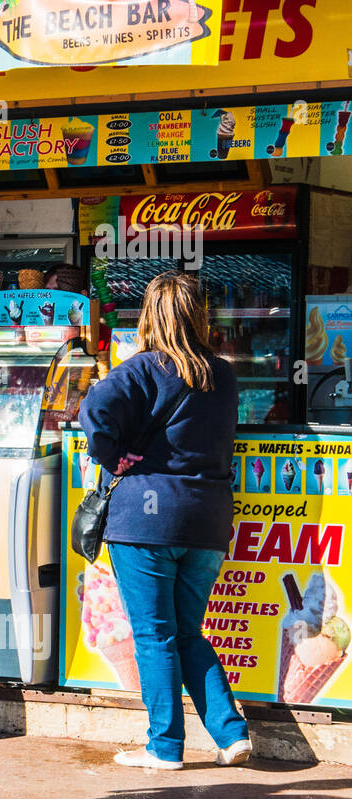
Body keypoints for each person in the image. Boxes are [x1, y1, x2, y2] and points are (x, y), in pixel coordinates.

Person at [79, 271, 252, 769]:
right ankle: (229, 733)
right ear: (199, 315)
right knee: (186, 631)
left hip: (146, 520)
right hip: (208, 521)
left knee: (155, 634)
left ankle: (164, 747)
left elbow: (93, 410)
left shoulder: (140, 369)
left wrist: (115, 458)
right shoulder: (223, 374)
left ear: (150, 315)